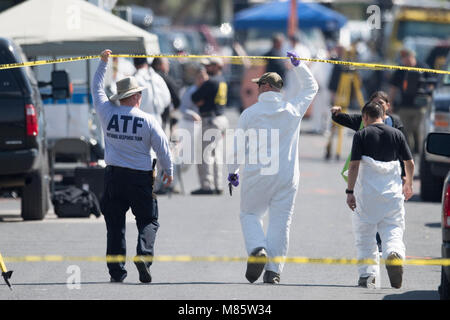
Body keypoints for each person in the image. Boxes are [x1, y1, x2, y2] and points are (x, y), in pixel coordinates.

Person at [227, 51, 318, 284]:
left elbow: (238, 148)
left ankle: (257, 248)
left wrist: (233, 171)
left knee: (249, 214)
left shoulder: (249, 114)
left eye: (259, 85)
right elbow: (311, 88)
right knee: (280, 222)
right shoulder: (292, 109)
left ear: (265, 86)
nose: (256, 88)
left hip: (258, 174)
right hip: (287, 177)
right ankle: (273, 270)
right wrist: (299, 66)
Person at [92, 49, 173, 283]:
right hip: (140, 178)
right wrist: (169, 171)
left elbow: (96, 88)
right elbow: (163, 147)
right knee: (148, 220)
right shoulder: (148, 120)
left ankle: (116, 271)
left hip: (114, 177)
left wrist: (103, 63)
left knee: (115, 225)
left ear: (120, 97)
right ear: (136, 96)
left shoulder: (107, 112)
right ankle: (144, 257)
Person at [346, 102, 414, 289]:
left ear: (365, 117)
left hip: (367, 196)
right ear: (383, 116)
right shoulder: (397, 134)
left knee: (365, 235)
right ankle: (394, 254)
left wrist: (350, 191)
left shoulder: (361, 135)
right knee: (393, 230)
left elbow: (354, 166)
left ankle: (368, 275)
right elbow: (409, 163)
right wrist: (408, 183)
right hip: (391, 194)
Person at [191, 57, 229, 195]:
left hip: (210, 119)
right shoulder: (222, 80)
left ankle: (207, 185)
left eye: (209, 66)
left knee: (205, 153)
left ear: (216, 66)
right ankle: (218, 185)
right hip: (221, 118)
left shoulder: (210, 82)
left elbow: (195, 97)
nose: (206, 68)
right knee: (216, 153)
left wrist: (201, 98)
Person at [388, 48, 429, 154]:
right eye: (403, 59)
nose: (404, 61)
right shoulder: (400, 70)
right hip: (404, 107)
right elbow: (393, 88)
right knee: (406, 131)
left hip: (420, 107)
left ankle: (419, 152)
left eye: (406, 58)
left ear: (412, 56)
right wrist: (390, 103)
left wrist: (428, 96)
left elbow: (432, 85)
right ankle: (409, 154)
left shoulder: (423, 67)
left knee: (417, 128)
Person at [133, 57, 171, 126]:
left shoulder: (134, 79)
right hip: (157, 120)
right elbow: (167, 99)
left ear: (134, 64)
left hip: (139, 120)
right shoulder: (157, 77)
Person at [152, 57, 181, 132]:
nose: (168, 66)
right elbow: (176, 97)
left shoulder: (145, 76)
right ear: (159, 65)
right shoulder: (164, 78)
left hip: (145, 118)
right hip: (162, 118)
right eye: (167, 64)